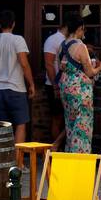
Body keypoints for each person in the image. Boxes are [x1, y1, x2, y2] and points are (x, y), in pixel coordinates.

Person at [0, 10, 35, 144]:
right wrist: (31, 84)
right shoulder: (18, 40)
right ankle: (17, 161)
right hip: (16, 88)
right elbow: (24, 64)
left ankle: (4, 160)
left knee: (2, 127)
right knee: (20, 124)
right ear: (13, 24)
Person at [57, 19, 101, 152]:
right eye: (83, 29)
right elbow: (90, 72)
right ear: (79, 29)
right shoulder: (80, 46)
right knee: (82, 126)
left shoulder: (62, 45)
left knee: (70, 124)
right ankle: (80, 160)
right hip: (80, 90)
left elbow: (59, 66)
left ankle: (69, 156)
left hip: (65, 87)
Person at [43, 21, 68, 151]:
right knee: (57, 118)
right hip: (55, 84)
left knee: (67, 118)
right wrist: (55, 86)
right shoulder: (53, 40)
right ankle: (56, 151)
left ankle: (61, 149)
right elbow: (48, 64)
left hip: (67, 85)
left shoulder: (68, 40)